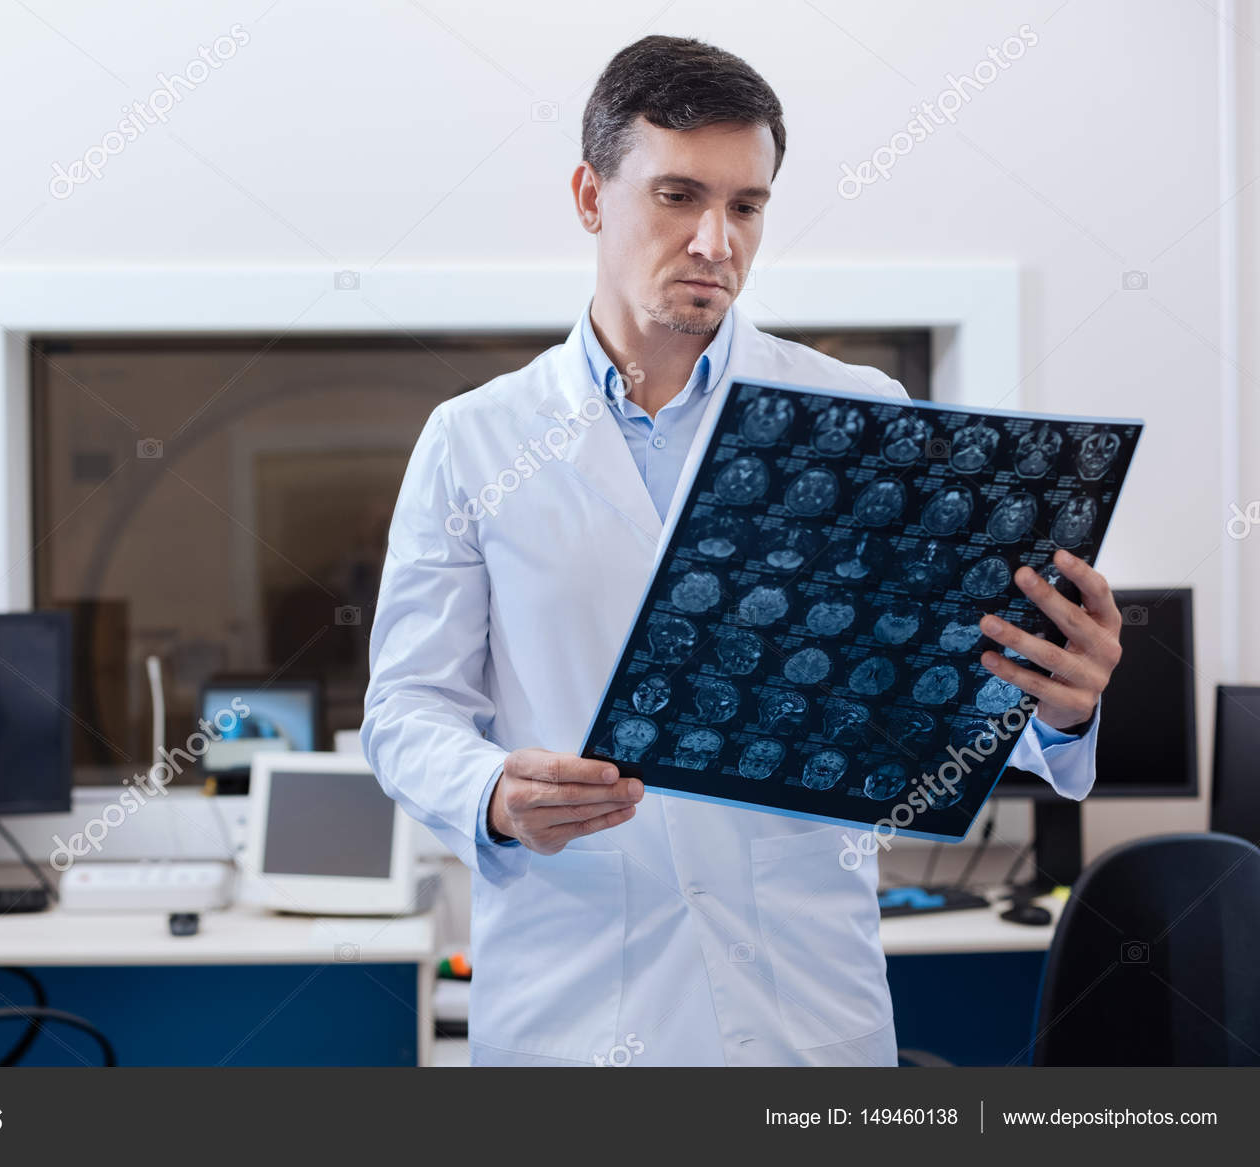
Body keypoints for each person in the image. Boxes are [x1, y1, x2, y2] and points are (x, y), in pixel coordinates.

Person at [361, 35, 1120, 1066]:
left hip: (803, 1006)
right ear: (590, 196)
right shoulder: (474, 441)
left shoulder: (863, 417)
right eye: (677, 196)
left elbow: (944, 699)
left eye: (746, 206)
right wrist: (490, 795)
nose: (715, 241)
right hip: (573, 1002)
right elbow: (407, 709)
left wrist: (1062, 707)